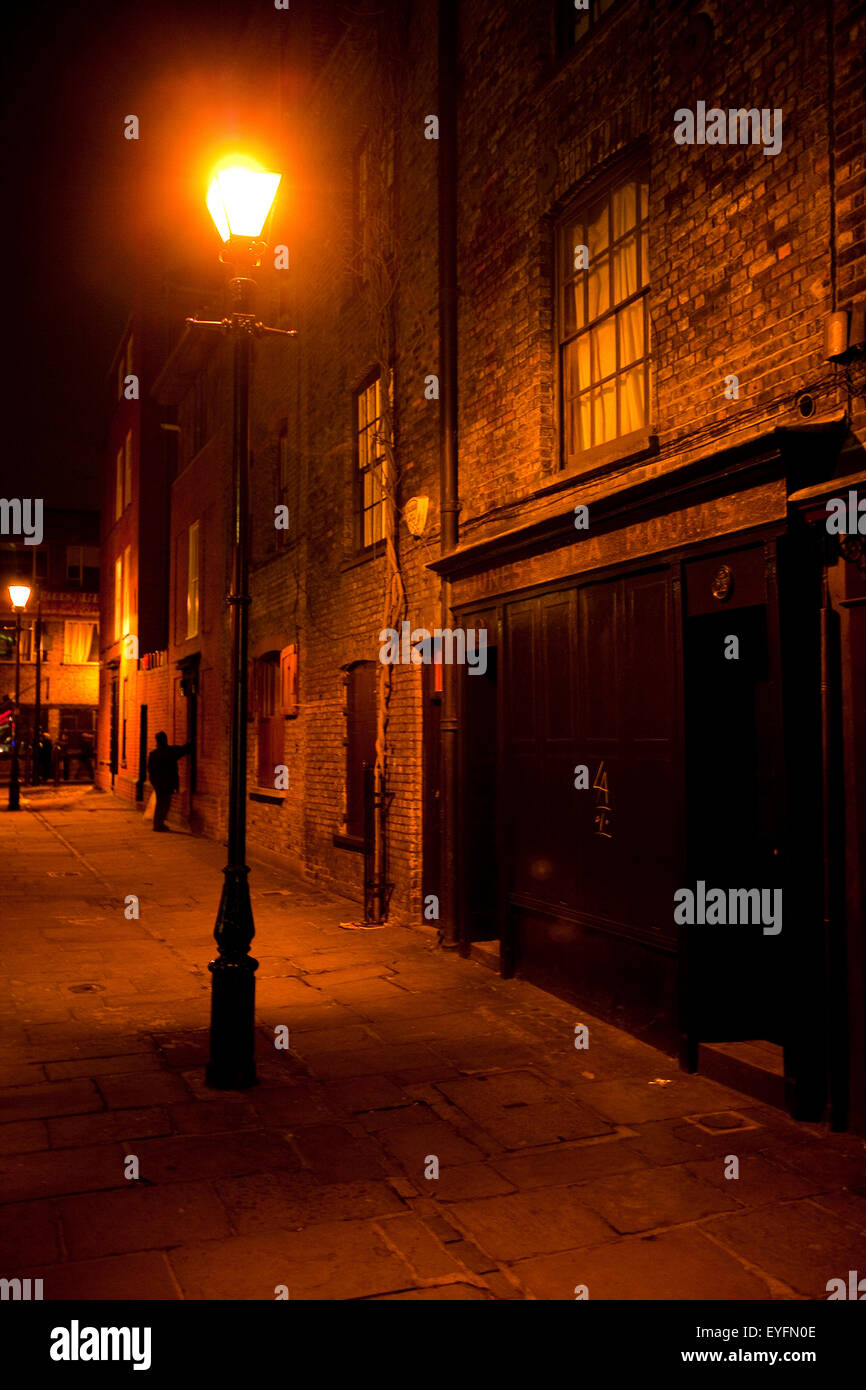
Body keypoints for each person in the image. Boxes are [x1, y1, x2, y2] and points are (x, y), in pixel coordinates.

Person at [147, 732, 192, 832]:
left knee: (160, 803)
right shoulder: (170, 751)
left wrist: (153, 782)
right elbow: (183, 750)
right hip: (168, 783)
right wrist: (190, 743)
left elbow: (150, 769)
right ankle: (158, 825)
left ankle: (158, 824)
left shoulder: (153, 754)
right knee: (164, 804)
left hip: (158, 783)